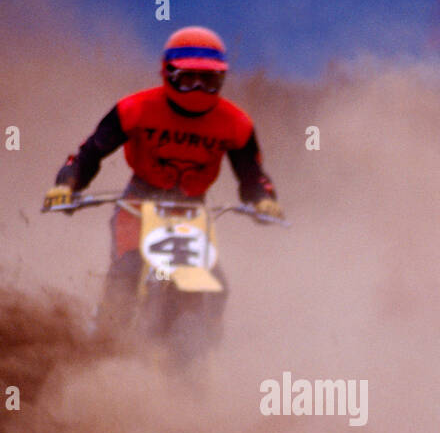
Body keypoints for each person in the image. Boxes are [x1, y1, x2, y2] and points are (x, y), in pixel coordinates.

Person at [43, 26, 282, 345]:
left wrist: (263, 199)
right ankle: (101, 345)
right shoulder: (135, 109)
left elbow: (252, 174)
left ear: (222, 80)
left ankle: (205, 351)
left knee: (218, 286)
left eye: (208, 81)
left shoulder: (235, 123)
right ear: (167, 74)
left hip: (192, 211)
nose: (197, 88)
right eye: (187, 79)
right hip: (138, 203)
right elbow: (90, 153)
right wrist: (68, 185)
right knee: (127, 273)